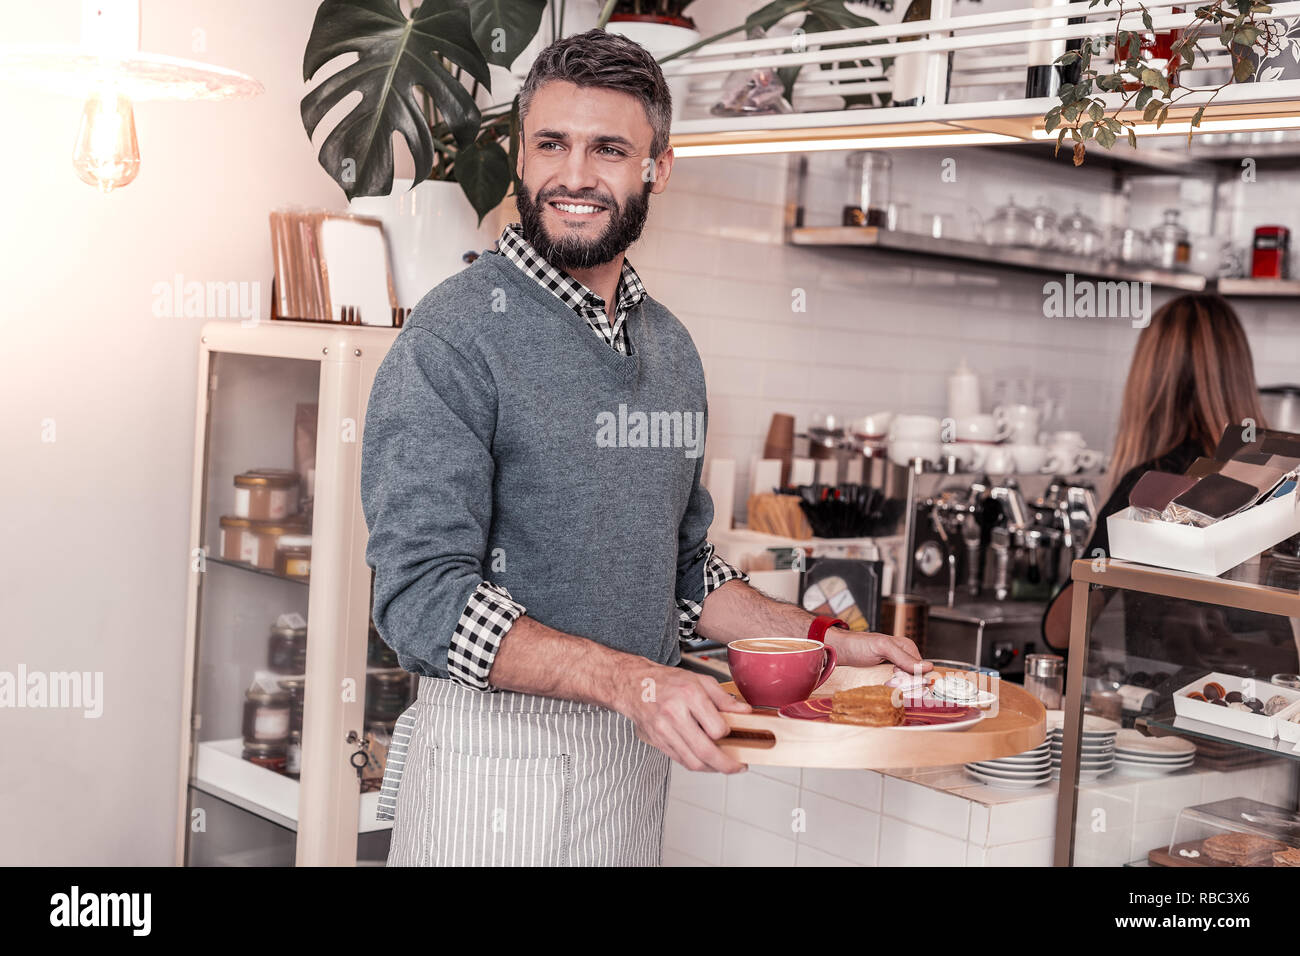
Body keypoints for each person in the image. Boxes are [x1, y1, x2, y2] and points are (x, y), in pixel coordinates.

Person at [360, 30, 927, 867]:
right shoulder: (454, 335)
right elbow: (420, 597)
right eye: (551, 143)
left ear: (659, 167)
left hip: (629, 770)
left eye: (609, 148)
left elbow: (681, 571)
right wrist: (632, 680)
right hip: (488, 773)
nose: (575, 175)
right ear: (522, 154)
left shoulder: (671, 352)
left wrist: (817, 637)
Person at [1042, 294, 1296, 677]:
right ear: (1240, 374)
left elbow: (1060, 632)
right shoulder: (1282, 482)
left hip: (1166, 712)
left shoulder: (1153, 483)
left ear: (1151, 382)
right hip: (1268, 717)